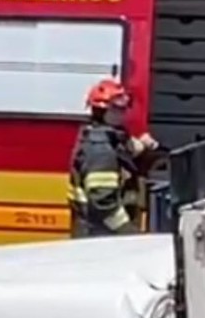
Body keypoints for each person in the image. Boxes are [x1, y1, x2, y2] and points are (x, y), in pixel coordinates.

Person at [68, 79, 161, 237]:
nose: (124, 112)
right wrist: (128, 232)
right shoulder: (101, 151)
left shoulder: (110, 138)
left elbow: (124, 154)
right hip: (101, 235)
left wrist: (143, 146)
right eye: (118, 108)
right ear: (102, 111)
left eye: (126, 106)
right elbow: (104, 203)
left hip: (103, 232)